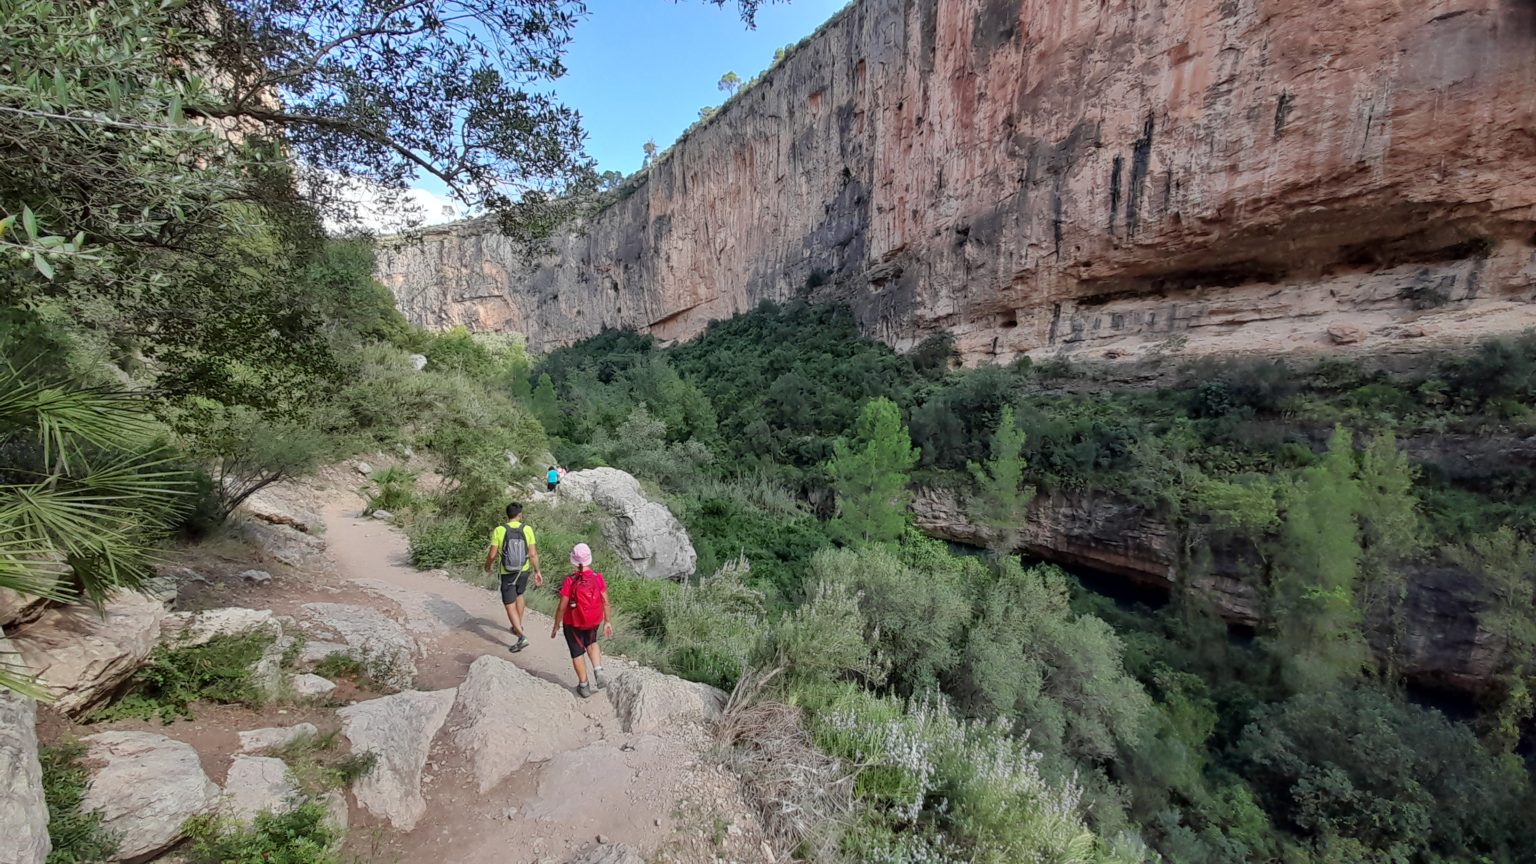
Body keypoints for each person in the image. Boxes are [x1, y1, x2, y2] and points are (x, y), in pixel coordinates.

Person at [551, 542, 613, 698]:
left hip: (573, 622)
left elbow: (562, 606)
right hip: (593, 620)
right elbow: (606, 601)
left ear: (573, 560)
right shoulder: (597, 578)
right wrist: (607, 621)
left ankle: (584, 686)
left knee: (577, 651)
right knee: (592, 642)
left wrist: (557, 623)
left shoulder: (570, 580)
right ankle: (598, 670)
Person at [483, 502, 542, 652]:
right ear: (519, 515)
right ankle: (517, 626)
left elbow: (492, 554)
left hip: (507, 572)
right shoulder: (527, 529)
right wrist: (537, 571)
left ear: (507, 515)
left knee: (509, 604)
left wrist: (487, 566)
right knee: (519, 595)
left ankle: (521, 637)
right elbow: (533, 554)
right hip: (523, 570)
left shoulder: (500, 530)